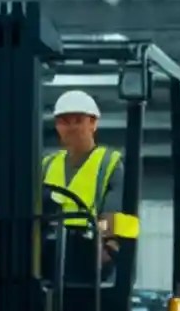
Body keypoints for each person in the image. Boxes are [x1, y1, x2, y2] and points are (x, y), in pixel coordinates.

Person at [41, 90, 124, 281]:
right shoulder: (47, 163)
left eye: (78, 120)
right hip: (51, 246)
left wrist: (106, 246)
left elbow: (111, 210)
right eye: (64, 121)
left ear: (93, 123)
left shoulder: (109, 162)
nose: (71, 128)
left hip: (89, 247)